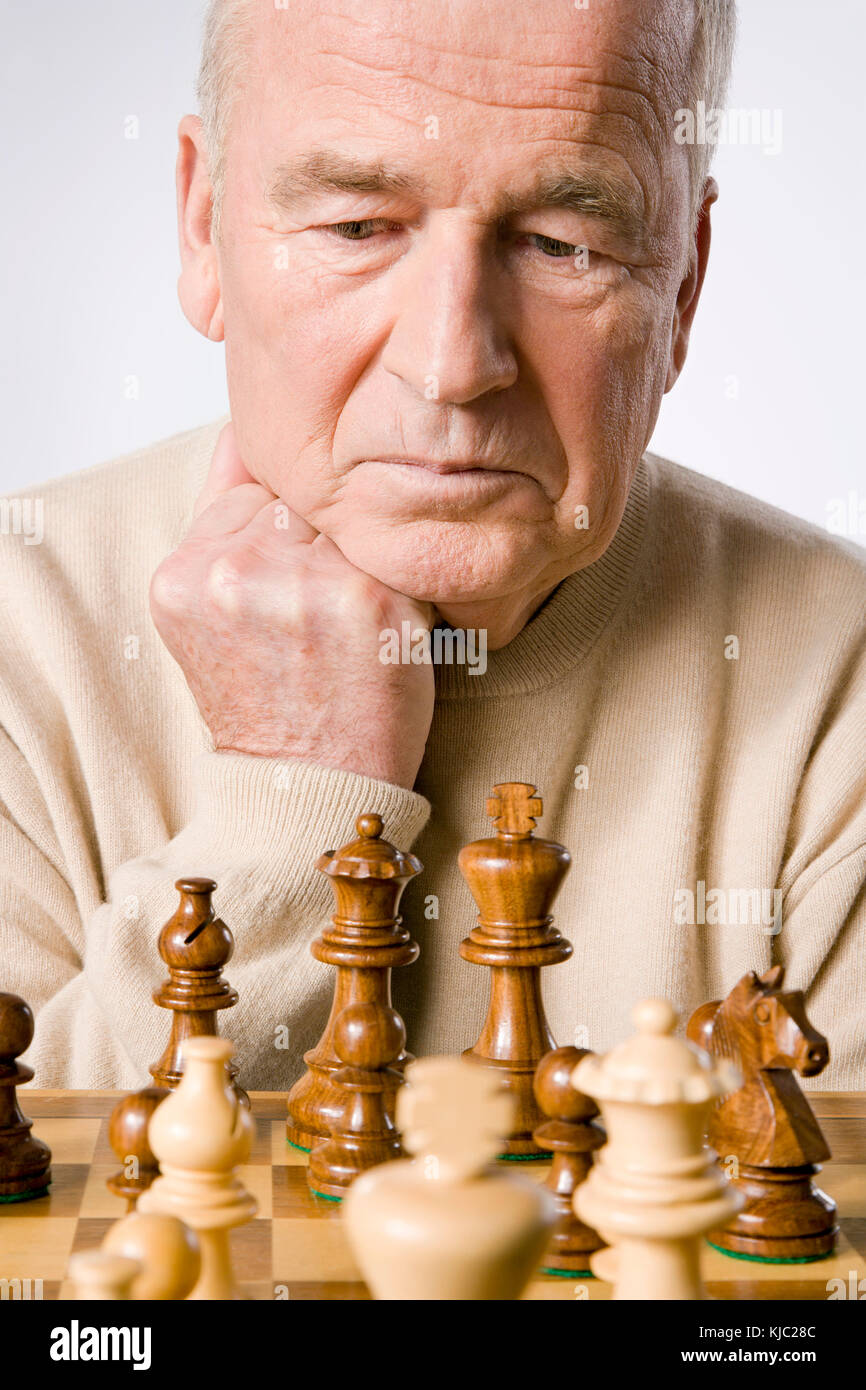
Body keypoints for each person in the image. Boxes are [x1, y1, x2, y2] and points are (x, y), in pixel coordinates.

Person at [2, 0, 864, 1089]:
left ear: (683, 284)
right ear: (202, 223)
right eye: (356, 227)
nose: (451, 364)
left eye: (563, 244)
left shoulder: (843, 684)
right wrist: (293, 803)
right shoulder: (15, 636)